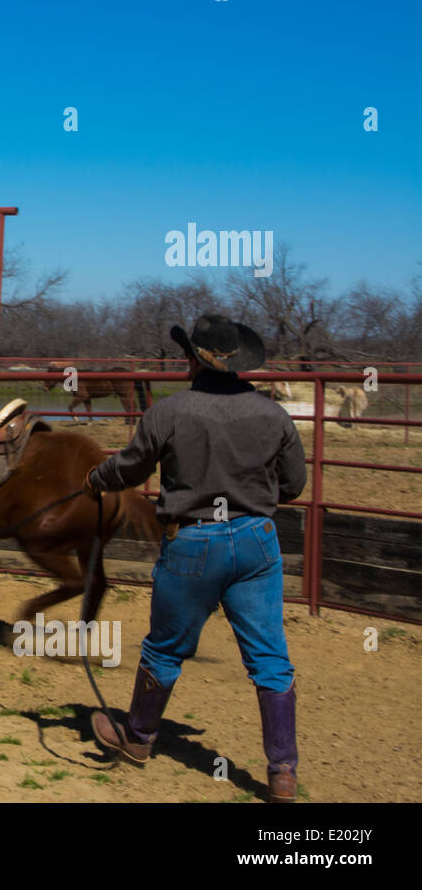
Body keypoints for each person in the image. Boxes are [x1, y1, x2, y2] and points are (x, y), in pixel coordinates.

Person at [84, 315, 307, 803]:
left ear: (192, 360)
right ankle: (282, 772)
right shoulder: (274, 416)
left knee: (165, 649)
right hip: (256, 541)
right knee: (270, 658)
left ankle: (139, 740)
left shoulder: (169, 412)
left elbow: (132, 466)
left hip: (193, 543)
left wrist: (97, 478)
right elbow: (293, 486)